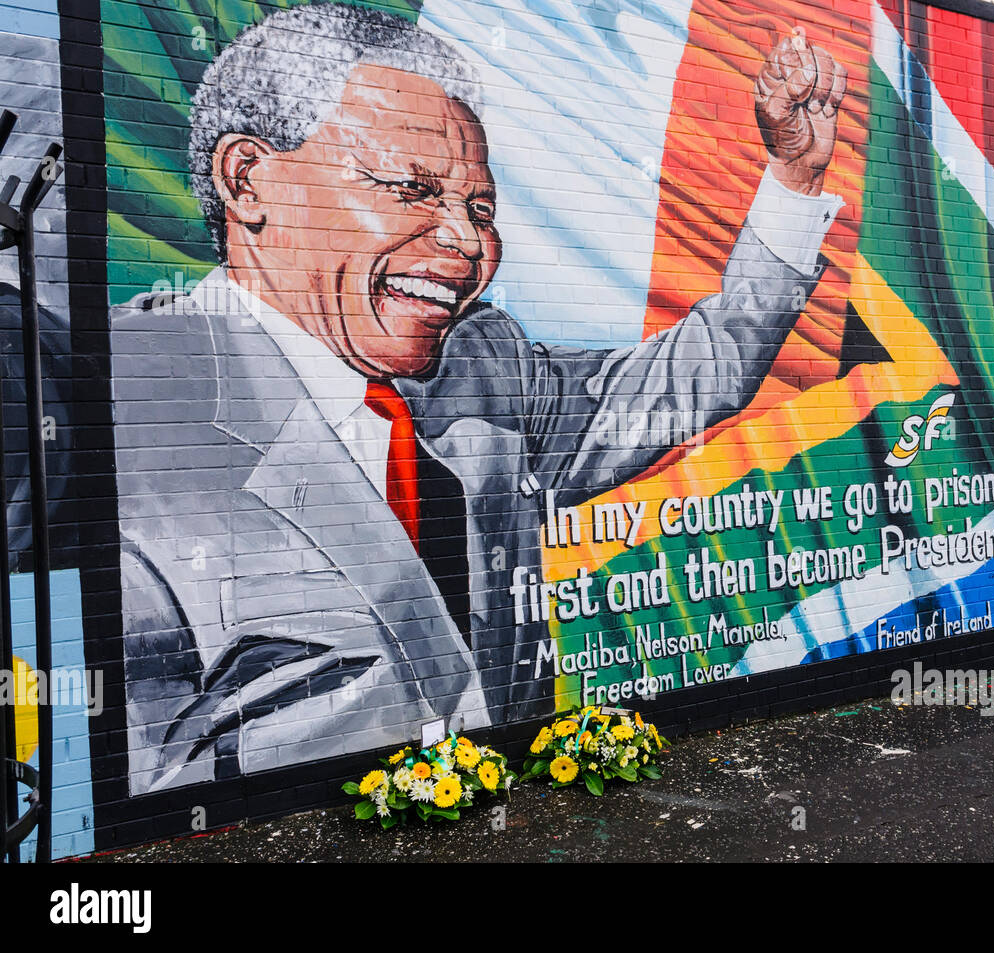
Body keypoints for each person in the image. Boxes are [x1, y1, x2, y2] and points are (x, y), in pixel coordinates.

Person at [112, 3, 847, 793]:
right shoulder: (116, 402)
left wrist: (794, 181)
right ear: (248, 178)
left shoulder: (484, 364)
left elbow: (693, 377)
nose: (466, 243)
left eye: (481, 208)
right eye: (412, 189)